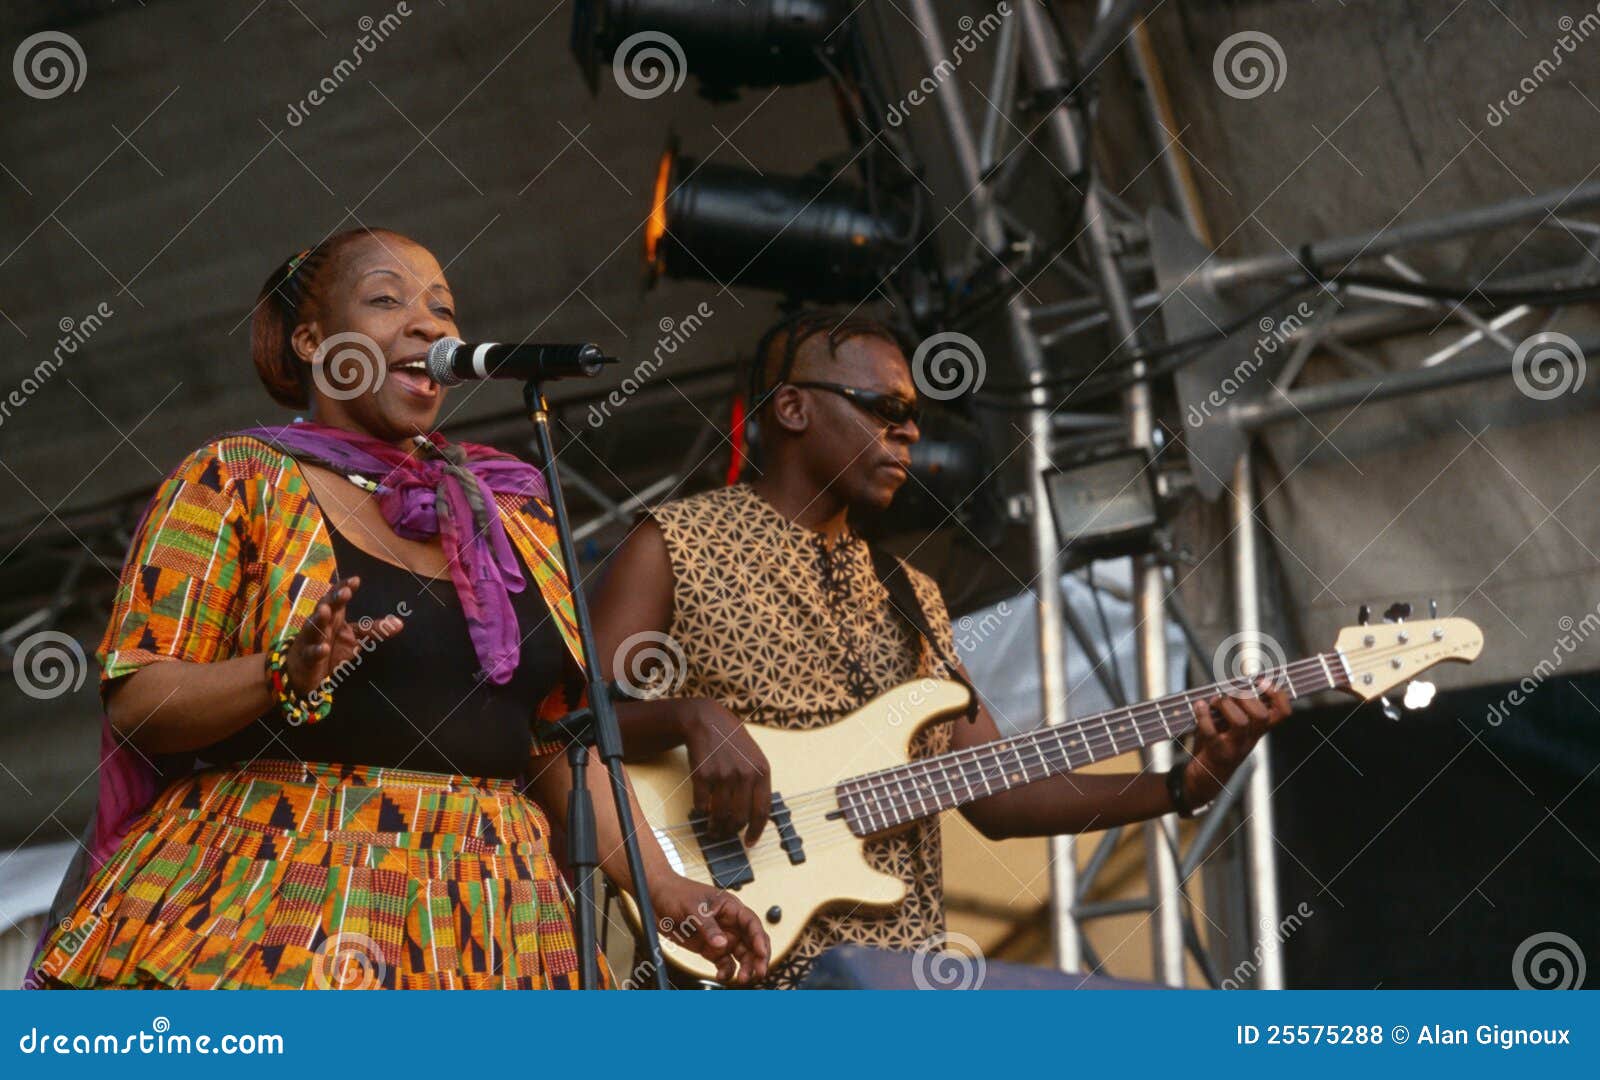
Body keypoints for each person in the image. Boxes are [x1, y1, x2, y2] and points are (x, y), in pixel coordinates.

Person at [28, 227, 768, 990]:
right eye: (386, 300)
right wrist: (280, 672)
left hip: (494, 919)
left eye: (444, 310)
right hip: (284, 899)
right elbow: (139, 700)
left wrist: (667, 889)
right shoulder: (235, 478)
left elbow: (550, 738)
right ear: (313, 340)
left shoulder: (511, 508)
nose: (430, 325)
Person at [589, 309, 1289, 987]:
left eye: (913, 414)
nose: (909, 431)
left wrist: (1180, 786)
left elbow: (997, 796)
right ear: (793, 409)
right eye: (882, 407)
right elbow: (564, 729)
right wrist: (692, 716)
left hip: (899, 979)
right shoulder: (675, 544)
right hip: (741, 971)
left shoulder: (912, 594)